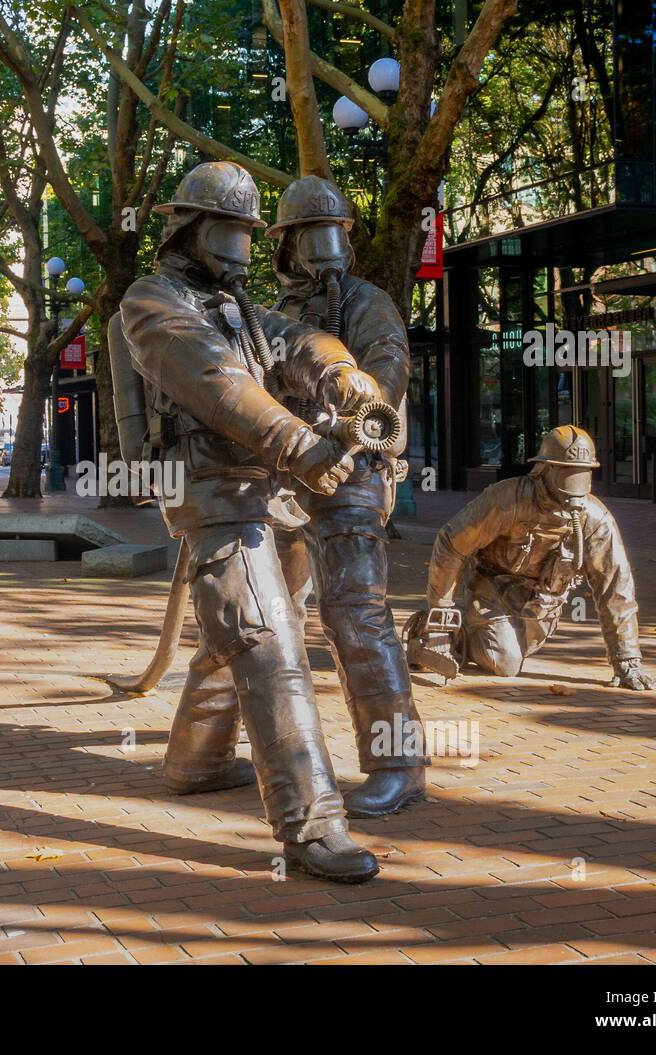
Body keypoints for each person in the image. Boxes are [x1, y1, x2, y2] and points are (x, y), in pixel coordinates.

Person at [117, 161, 383, 882]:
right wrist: (301, 446)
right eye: (229, 228)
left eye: (247, 230)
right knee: (269, 641)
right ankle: (312, 822)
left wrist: (344, 378)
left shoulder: (238, 307)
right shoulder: (153, 303)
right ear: (191, 229)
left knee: (231, 631)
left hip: (258, 485)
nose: (239, 243)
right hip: (207, 491)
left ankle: (195, 761)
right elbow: (214, 380)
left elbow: (297, 341)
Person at [267, 175, 428, 817]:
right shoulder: (278, 310)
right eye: (308, 235)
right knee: (259, 618)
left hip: (354, 474)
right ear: (286, 245)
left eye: (329, 233)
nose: (321, 247)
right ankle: (217, 750)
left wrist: (354, 424)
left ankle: (401, 764)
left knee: (355, 613)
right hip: (285, 478)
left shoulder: (369, 304)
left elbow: (385, 374)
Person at [409, 424, 656, 690]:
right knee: (504, 663)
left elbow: (615, 586)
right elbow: (451, 543)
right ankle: (433, 637)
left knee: (515, 651)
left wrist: (627, 659)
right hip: (492, 589)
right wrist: (441, 615)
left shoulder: (595, 519)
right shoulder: (508, 499)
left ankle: (477, 632)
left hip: (542, 601)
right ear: (545, 469)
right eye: (566, 474)